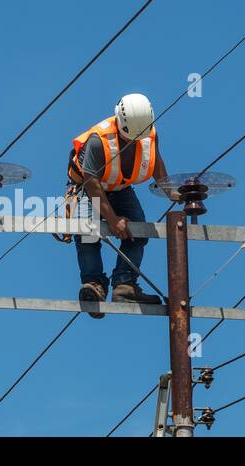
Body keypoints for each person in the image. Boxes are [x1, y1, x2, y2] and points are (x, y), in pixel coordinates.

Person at [67, 93, 169, 319]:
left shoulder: (148, 134)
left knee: (138, 231)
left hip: (119, 189)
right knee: (87, 233)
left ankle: (124, 284)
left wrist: (177, 193)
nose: (133, 142)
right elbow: (92, 184)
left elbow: (158, 169)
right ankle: (94, 284)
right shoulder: (99, 140)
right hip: (88, 189)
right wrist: (113, 220)